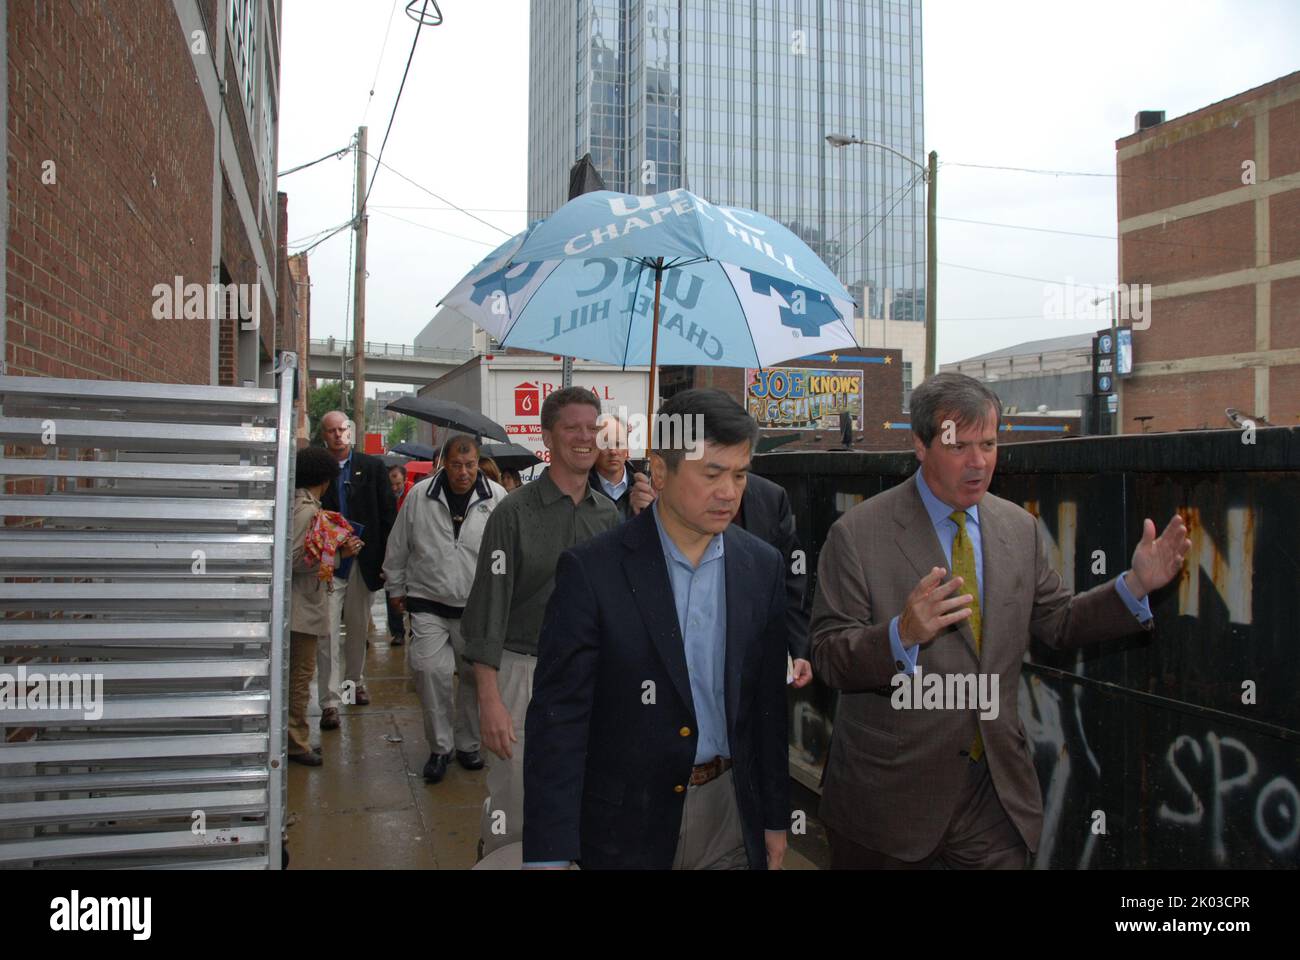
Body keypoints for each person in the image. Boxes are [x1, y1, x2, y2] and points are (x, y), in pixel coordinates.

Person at [809, 372, 1190, 869]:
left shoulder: (1018, 528)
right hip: (889, 803)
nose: (978, 462)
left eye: (988, 444)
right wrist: (900, 636)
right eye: (959, 445)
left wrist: (1135, 586)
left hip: (994, 796)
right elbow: (828, 655)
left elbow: (1061, 622)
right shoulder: (858, 534)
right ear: (920, 445)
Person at [523, 389, 790, 869]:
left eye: (740, 474)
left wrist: (774, 818)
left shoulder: (761, 567)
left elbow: (767, 707)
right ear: (661, 473)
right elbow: (558, 722)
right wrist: (548, 853)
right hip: (625, 824)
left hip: (729, 815)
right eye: (712, 473)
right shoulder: (593, 571)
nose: (729, 491)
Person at [461, 386, 620, 859]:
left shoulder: (609, 515)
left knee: (582, 798)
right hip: (520, 673)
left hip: (589, 677)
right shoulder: (512, 514)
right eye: (572, 427)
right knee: (515, 800)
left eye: (593, 429)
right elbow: (487, 611)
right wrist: (490, 701)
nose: (585, 437)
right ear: (547, 435)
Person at [385, 436, 506, 783]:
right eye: (456, 465)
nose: (463, 472)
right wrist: (395, 587)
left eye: (469, 465)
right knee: (429, 672)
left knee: (472, 679)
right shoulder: (419, 497)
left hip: (476, 606)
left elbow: (509, 551)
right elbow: (398, 545)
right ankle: (440, 748)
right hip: (428, 601)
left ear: (478, 462)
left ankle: (468, 744)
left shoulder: (496, 499)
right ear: (443, 463)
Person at [317, 411, 398, 730]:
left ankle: (354, 685)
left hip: (363, 561)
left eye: (342, 429)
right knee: (326, 634)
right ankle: (329, 701)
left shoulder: (374, 467)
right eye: (331, 431)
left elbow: (387, 516)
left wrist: (386, 562)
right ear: (323, 435)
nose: (338, 435)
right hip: (329, 562)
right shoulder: (315, 468)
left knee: (357, 628)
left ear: (350, 432)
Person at [288, 447, 357, 766]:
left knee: (300, 675)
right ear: (325, 480)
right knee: (300, 678)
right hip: (301, 606)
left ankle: (296, 736)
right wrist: (335, 551)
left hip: (304, 604)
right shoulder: (305, 510)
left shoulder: (305, 505)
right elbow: (294, 559)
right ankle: (295, 741)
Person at [733, 471, 813, 688]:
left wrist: (799, 649)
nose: (728, 492)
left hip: (757, 665)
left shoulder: (772, 496)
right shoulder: (682, 493)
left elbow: (791, 578)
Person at [588, 414, 656, 520]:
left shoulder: (645, 488)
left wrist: (649, 514)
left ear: (627, 447)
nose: (613, 451)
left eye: (618, 444)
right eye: (605, 444)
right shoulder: (582, 490)